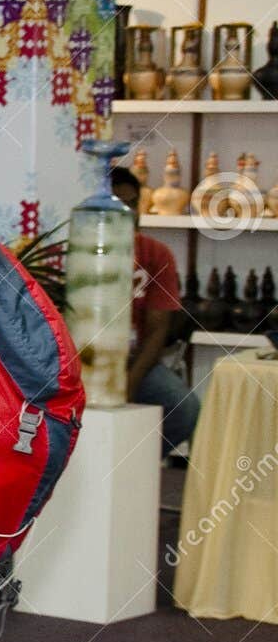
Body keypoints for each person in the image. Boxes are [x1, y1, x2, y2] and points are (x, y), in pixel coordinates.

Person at [110, 165, 200, 455]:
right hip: (82, 362)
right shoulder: (77, 250)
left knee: (183, 408)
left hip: (137, 361)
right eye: (118, 204)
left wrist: (130, 382)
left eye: (133, 203)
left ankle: (134, 462)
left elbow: (158, 328)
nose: (129, 212)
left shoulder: (156, 254)